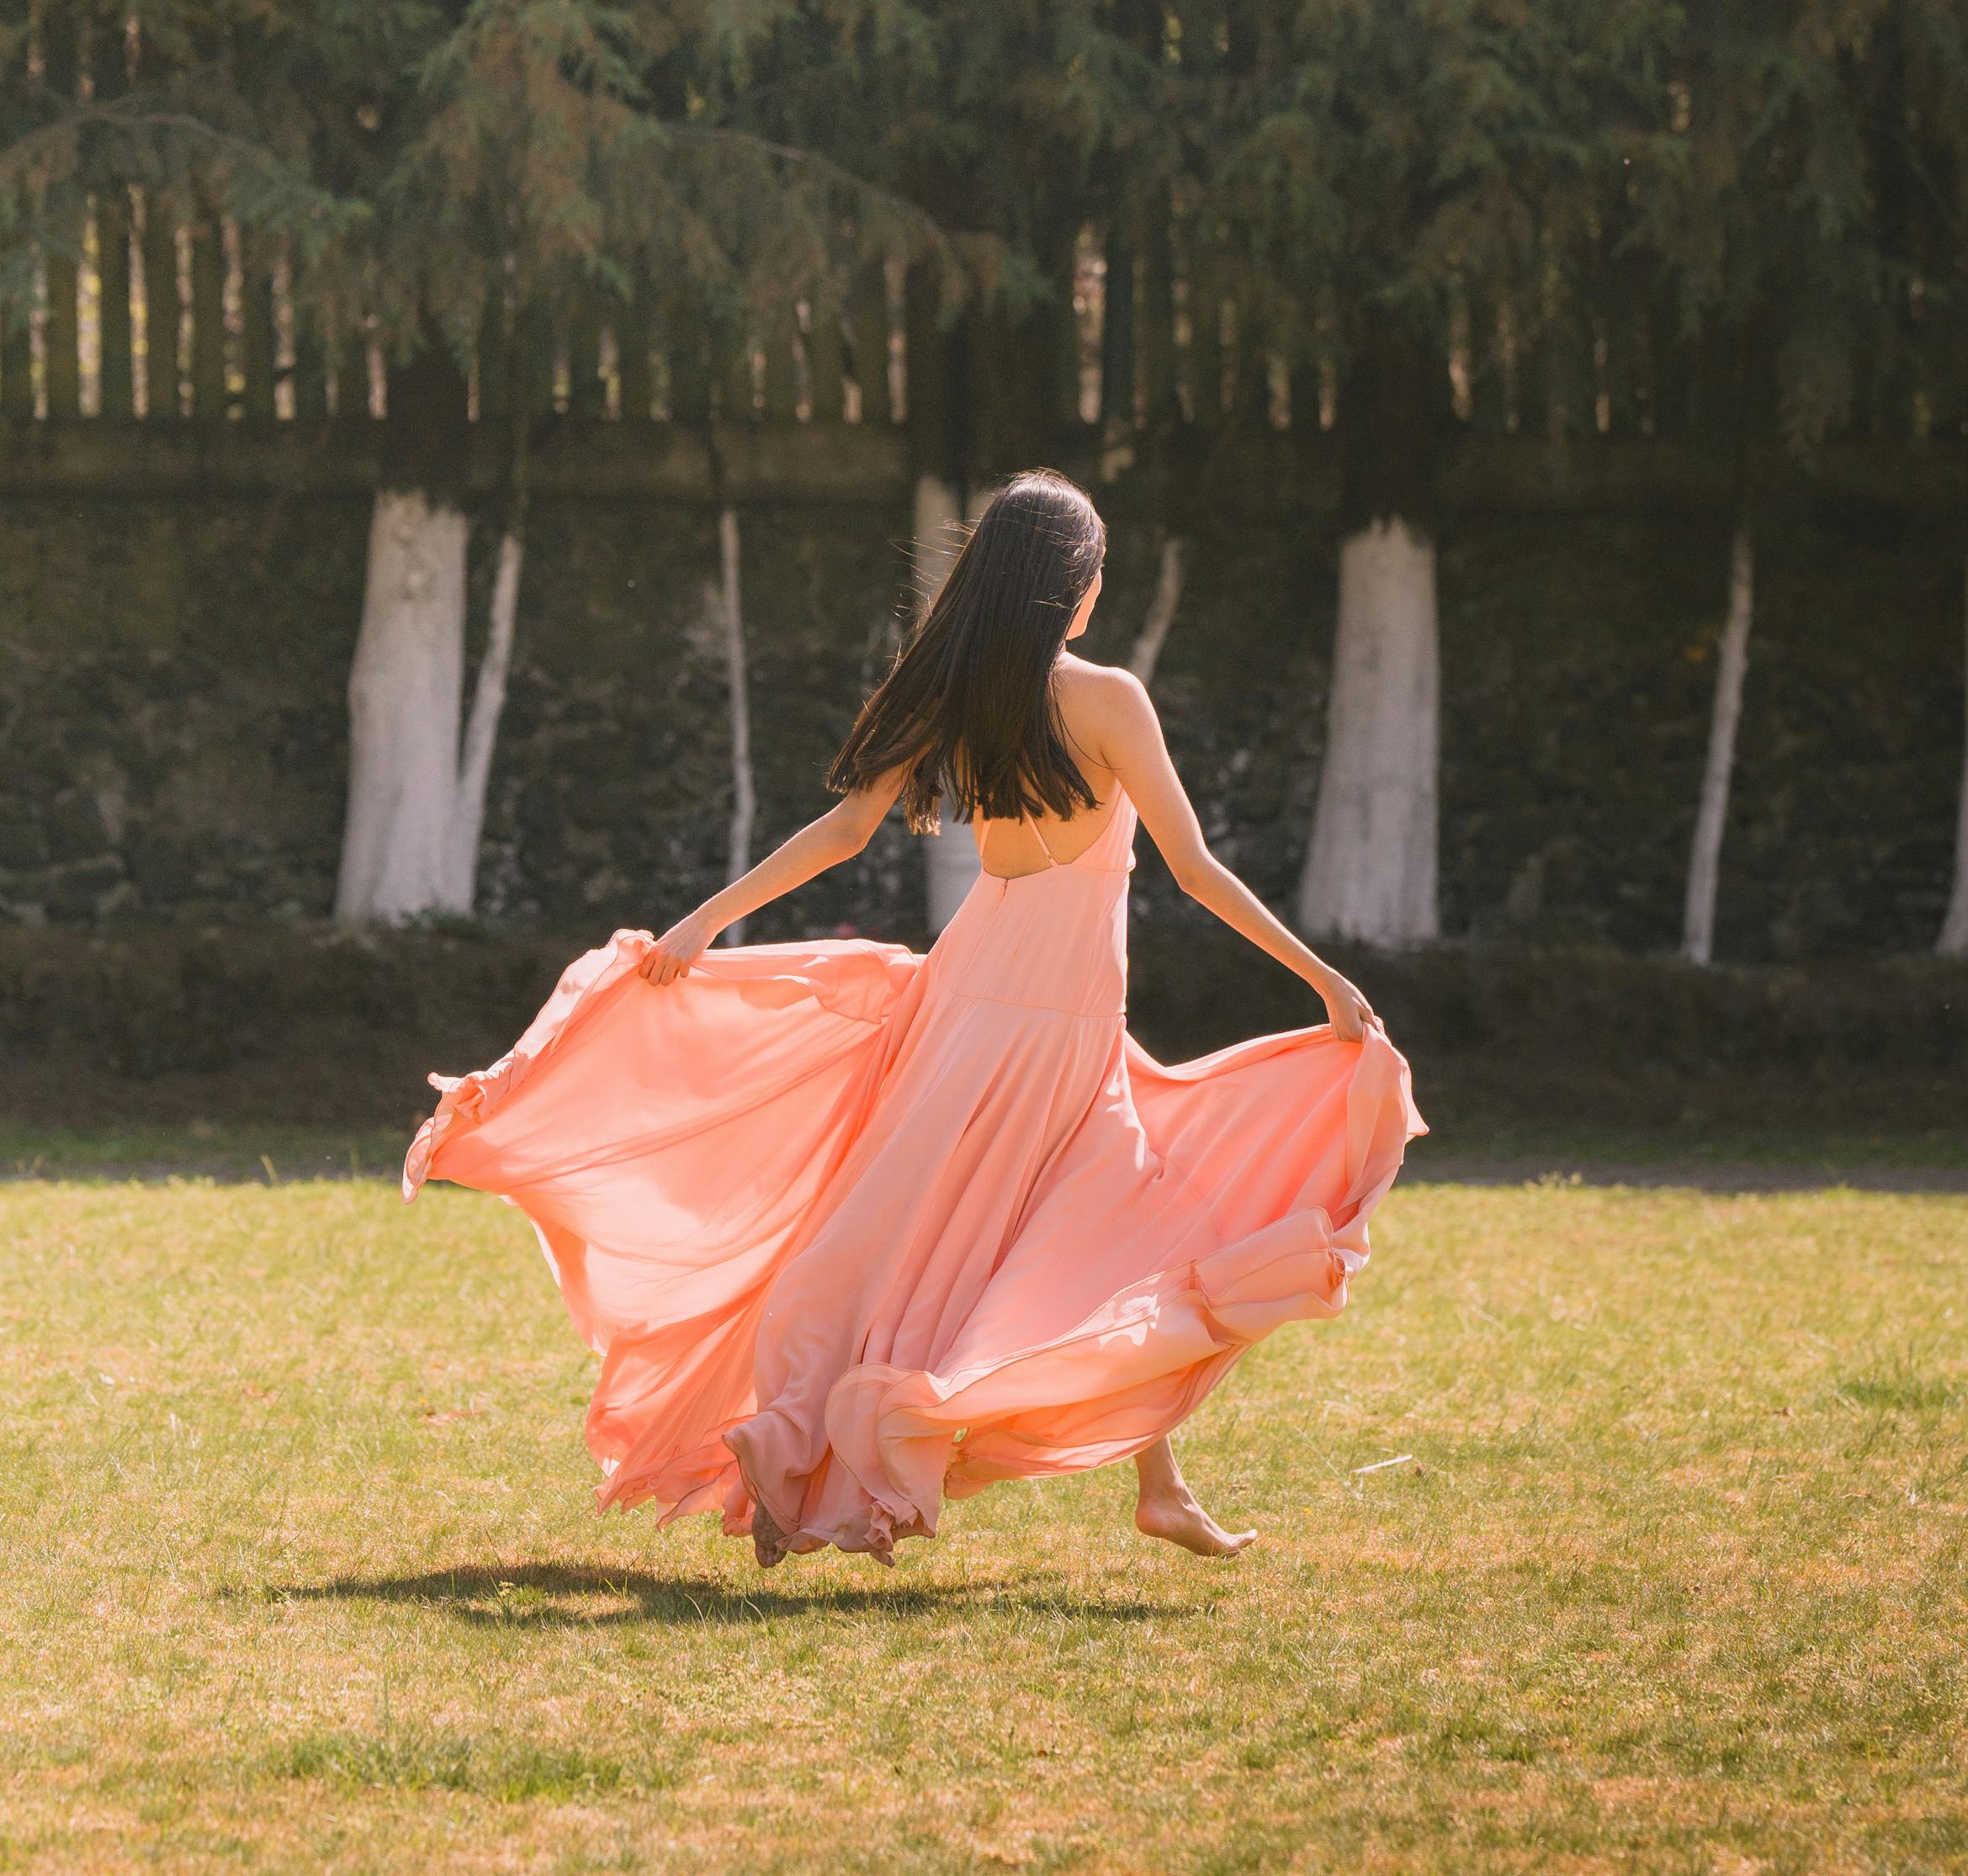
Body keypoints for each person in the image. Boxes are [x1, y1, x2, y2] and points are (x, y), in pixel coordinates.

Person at [405, 471, 1422, 1566]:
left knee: (981, 1226)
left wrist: (706, 920)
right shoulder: (1106, 698)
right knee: (1101, 1231)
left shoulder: (959, 691)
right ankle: (803, 1432)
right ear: (1071, 589)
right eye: (1096, 577)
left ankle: (1145, 1480)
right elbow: (1194, 866)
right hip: (1057, 1013)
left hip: (974, 988)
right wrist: (1322, 976)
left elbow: (842, 830)